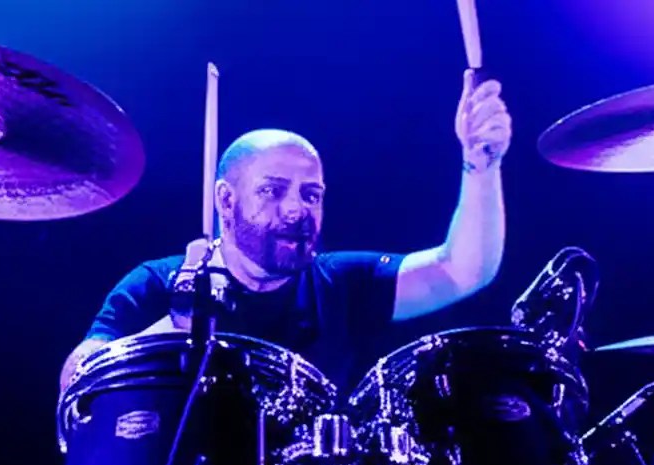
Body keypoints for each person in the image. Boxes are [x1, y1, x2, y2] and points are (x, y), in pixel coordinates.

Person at [60, 69, 512, 393]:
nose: (297, 209)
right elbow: (75, 381)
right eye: (273, 191)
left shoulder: (339, 285)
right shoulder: (157, 283)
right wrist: (175, 322)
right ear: (225, 199)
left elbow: (462, 270)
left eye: (311, 194)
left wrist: (482, 165)